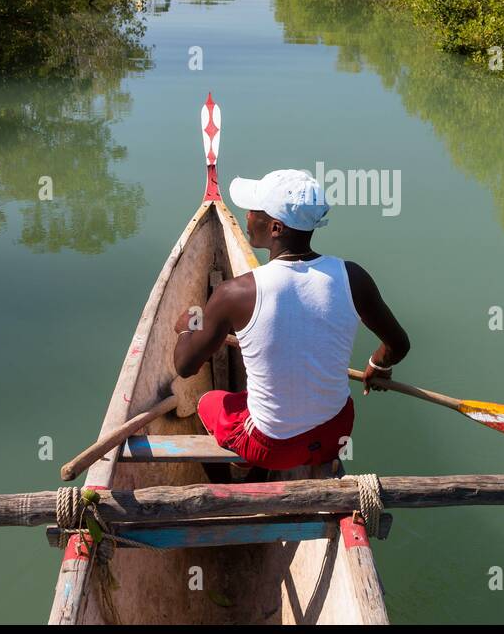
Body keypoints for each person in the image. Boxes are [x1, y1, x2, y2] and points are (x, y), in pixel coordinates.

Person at [173, 168, 409, 477]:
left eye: (253, 211)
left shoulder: (236, 294)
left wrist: (186, 325)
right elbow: (398, 345)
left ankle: (242, 463)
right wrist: (378, 364)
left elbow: (185, 366)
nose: (246, 216)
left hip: (270, 447)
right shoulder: (354, 277)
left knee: (208, 402)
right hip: (335, 434)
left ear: (275, 228)